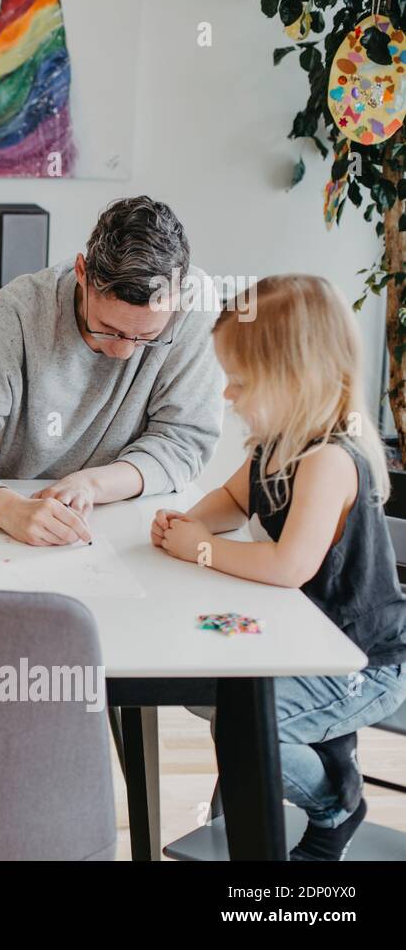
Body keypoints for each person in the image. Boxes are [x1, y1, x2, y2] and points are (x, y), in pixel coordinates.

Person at [152, 274, 406, 860]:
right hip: (301, 639)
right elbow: (233, 502)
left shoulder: (327, 460)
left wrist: (201, 549)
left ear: (295, 378)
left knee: (244, 730)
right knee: (225, 697)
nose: (228, 395)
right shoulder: (277, 443)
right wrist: (187, 524)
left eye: (240, 381)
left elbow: (288, 566)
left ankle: (334, 801)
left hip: (361, 662)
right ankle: (328, 758)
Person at [0, 196, 223, 545]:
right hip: (15, 522)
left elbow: (184, 442)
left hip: (135, 523)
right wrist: (5, 509)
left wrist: (91, 484)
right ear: (82, 273)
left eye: (147, 337)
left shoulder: (195, 306)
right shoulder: (18, 312)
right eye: (109, 329)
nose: (123, 352)